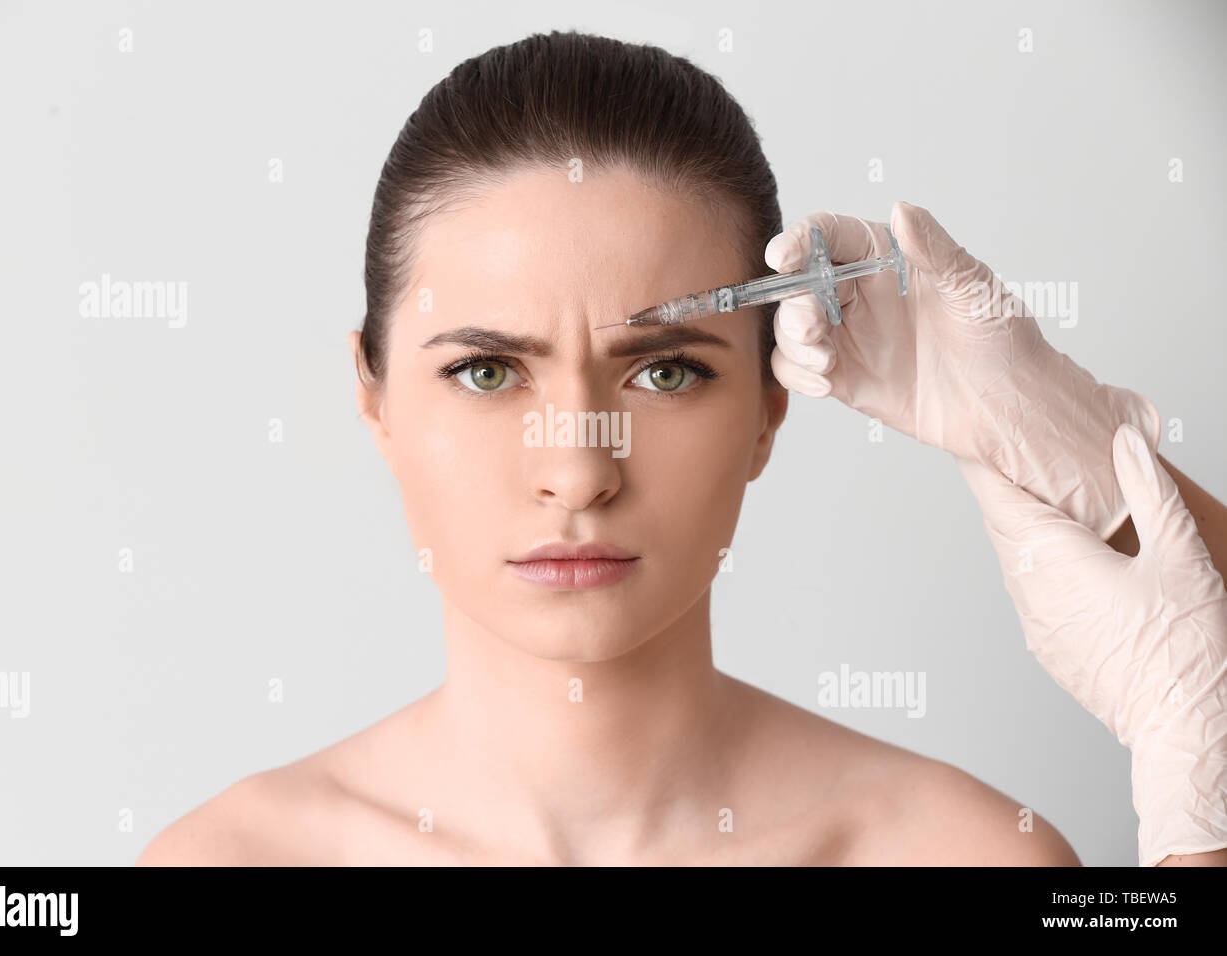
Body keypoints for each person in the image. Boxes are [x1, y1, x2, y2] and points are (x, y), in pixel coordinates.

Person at [136, 30, 1226, 866]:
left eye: (665, 371)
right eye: (486, 371)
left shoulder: (959, 854)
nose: (579, 471)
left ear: (769, 405)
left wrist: (1086, 459)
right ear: (373, 398)